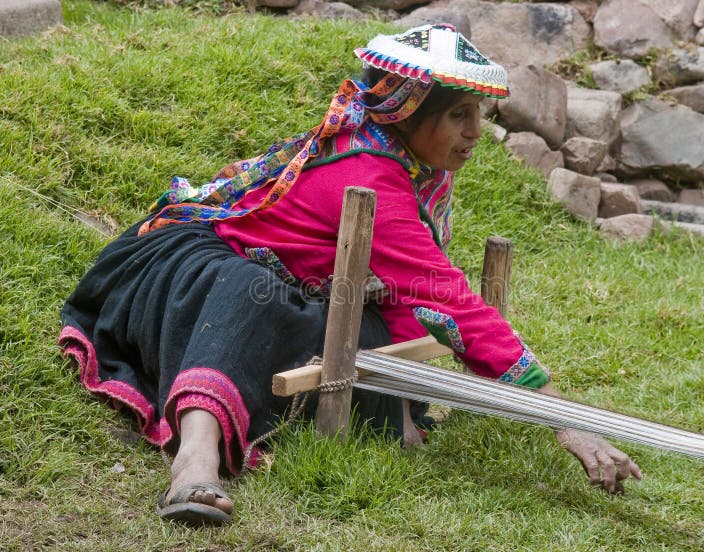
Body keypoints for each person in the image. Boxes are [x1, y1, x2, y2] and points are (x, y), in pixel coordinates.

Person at [59, 24, 642, 526]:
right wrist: (564, 421)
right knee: (249, 293)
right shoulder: (370, 175)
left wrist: (404, 413)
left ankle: (345, 419)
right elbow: (450, 298)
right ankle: (195, 458)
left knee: (360, 329)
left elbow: (403, 291)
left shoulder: (411, 165)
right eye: (458, 115)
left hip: (298, 286)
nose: (473, 132)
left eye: (478, 116)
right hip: (189, 266)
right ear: (411, 112)